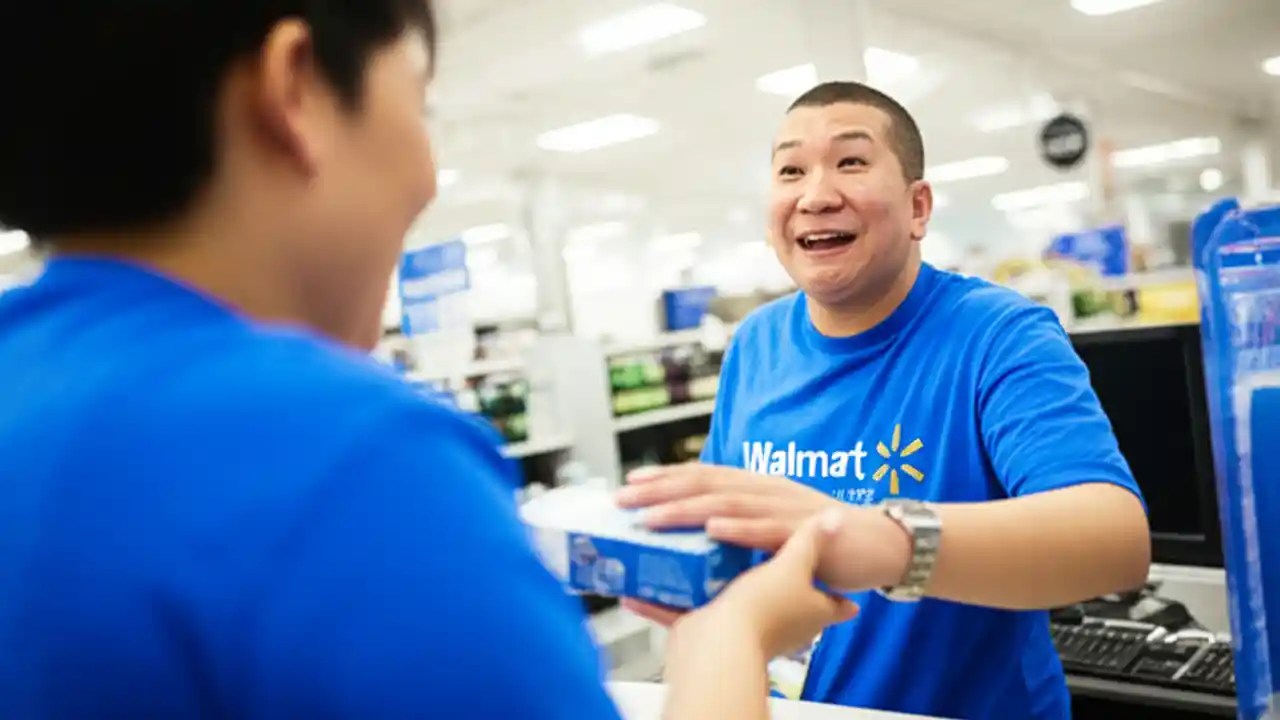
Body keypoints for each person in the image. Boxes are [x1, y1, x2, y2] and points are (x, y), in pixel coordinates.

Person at [0, 4, 857, 718]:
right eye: (417, 102)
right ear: (296, 89)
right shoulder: (351, 458)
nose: (428, 173)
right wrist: (730, 634)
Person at [618, 81, 1152, 720]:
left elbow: (1115, 540)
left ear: (918, 207)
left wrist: (884, 541)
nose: (815, 195)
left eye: (850, 161)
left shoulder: (997, 333)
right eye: (791, 170)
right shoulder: (755, 344)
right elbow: (730, 530)